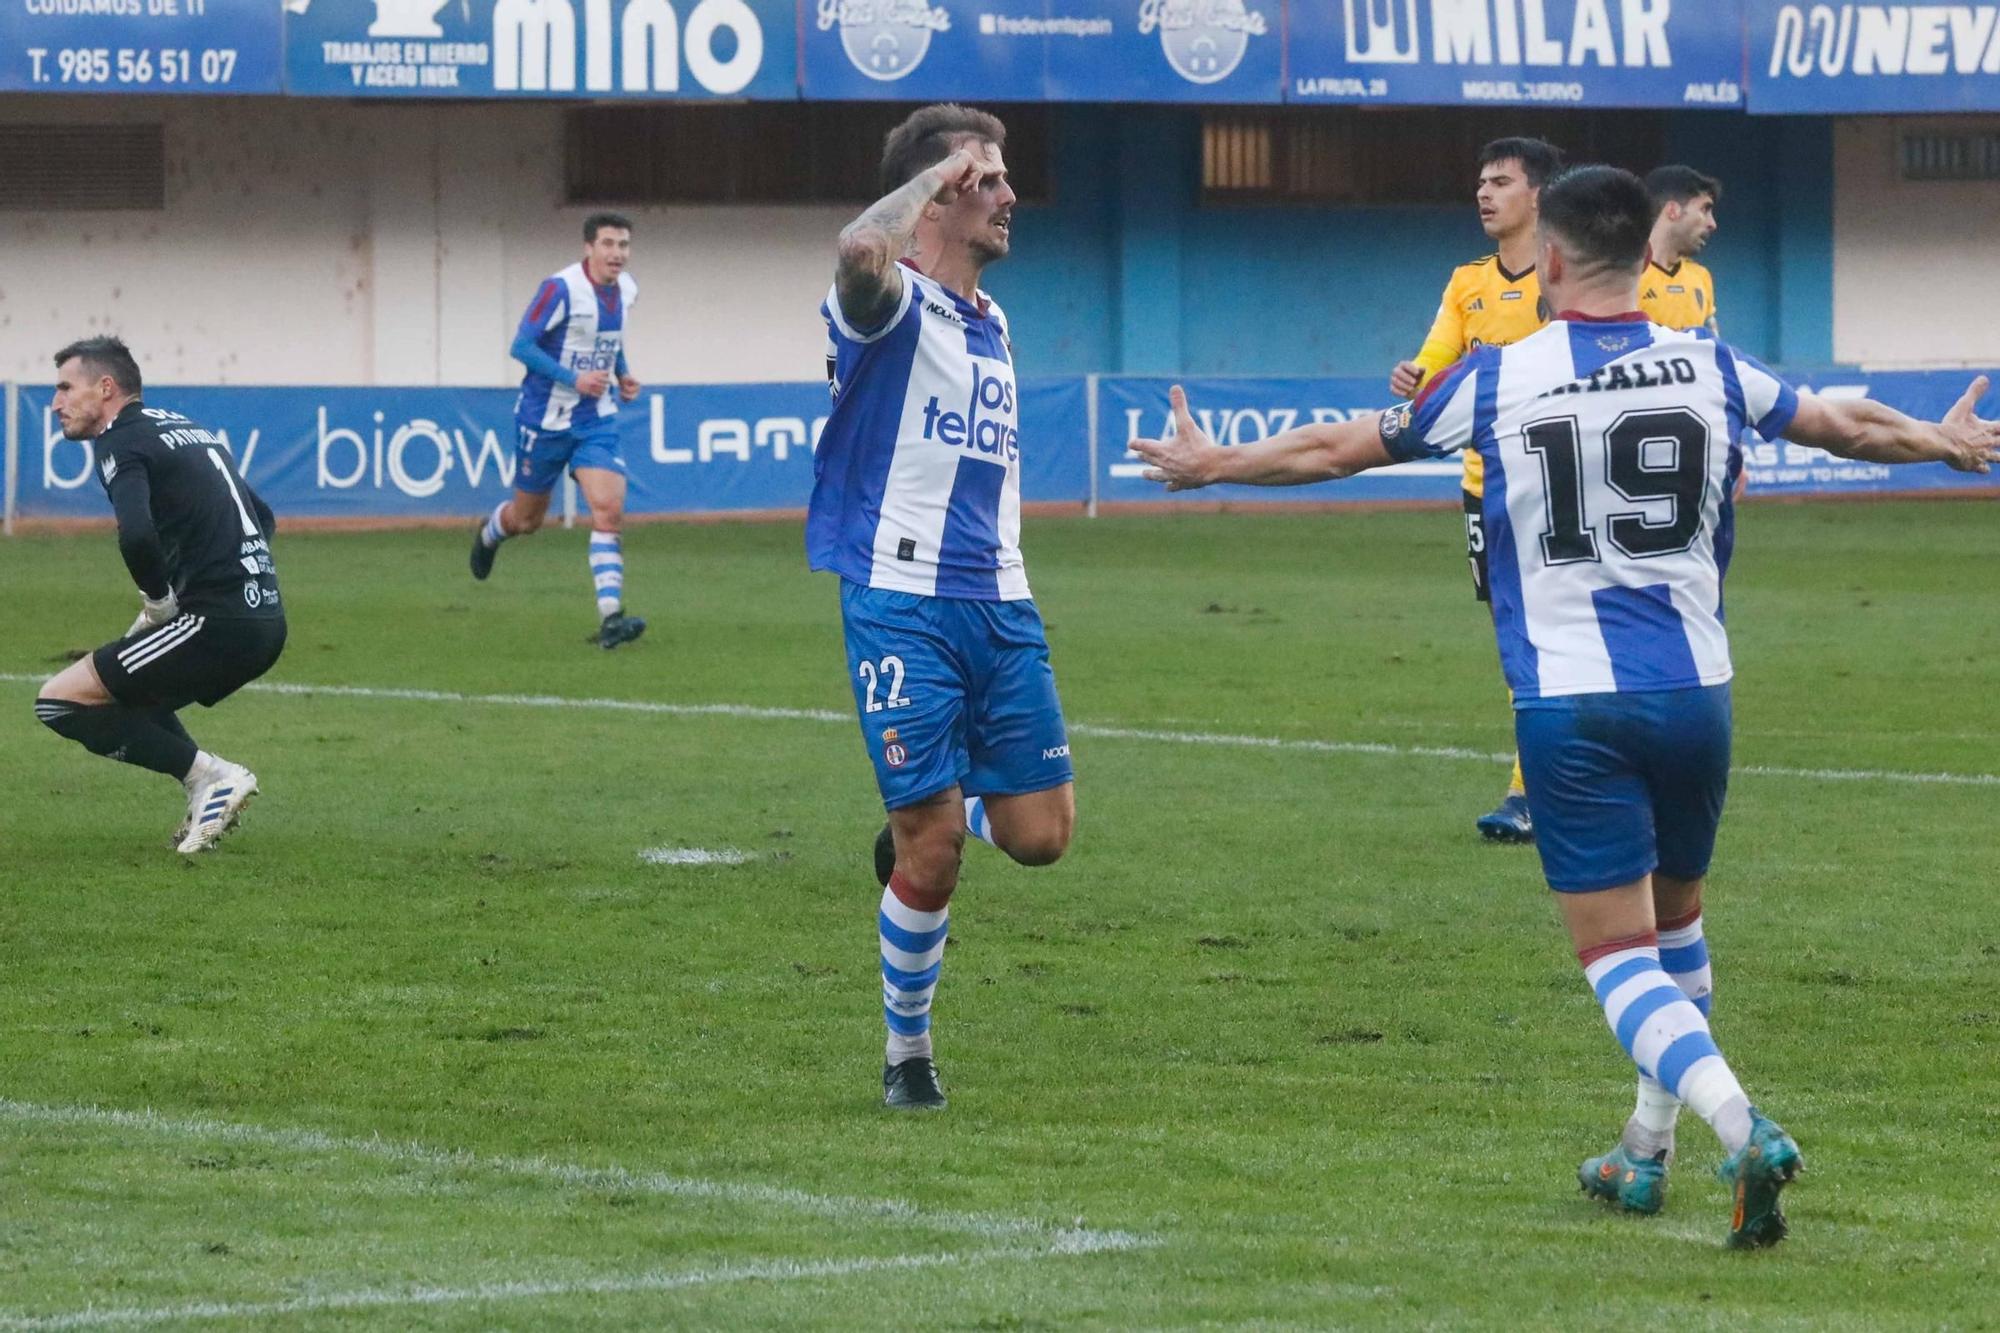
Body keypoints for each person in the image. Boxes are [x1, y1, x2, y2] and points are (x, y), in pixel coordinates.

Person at [1131, 165, 1999, 1247]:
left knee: (1614, 957)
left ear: (1547, 262)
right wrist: (1943, 440)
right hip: (1694, 692)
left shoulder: (1498, 378)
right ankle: (1644, 1150)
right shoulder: (1707, 362)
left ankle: (1738, 1123)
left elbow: (1334, 446)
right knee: (1673, 924)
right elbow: (1839, 421)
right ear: (1645, 257)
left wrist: (1212, 463)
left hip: (1568, 703)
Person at [809, 104, 1076, 1111]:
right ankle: (906, 1052)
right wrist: (931, 173)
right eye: (991, 179)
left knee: (1042, 835)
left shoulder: (992, 320)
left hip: (1000, 601)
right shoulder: (887, 305)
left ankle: (931, 803)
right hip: (898, 598)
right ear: (943, 192)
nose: (1009, 197)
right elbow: (857, 248)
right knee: (934, 849)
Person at [36, 336, 288, 854]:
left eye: (65, 387)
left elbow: (137, 534)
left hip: (217, 620)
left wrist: (159, 601)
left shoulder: (120, 439)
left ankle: (211, 777)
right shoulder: (186, 428)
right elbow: (263, 517)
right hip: (262, 620)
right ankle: (206, 785)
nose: (56, 403)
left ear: (105, 388)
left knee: (58, 703)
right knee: (127, 696)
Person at [1388, 137, 1564, 846]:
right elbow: (1434, 364)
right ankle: (1543, 783)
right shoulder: (1467, 282)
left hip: (1557, 488)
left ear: (1539, 196)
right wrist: (1415, 378)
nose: (1485, 194)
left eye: (1501, 182)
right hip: (1484, 493)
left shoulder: (1567, 278)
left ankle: (1532, 790)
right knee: (1518, 643)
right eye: (1480, 183)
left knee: (1552, 636)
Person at [471, 212, 647, 650]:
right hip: (544, 420)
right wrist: (572, 378)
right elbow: (521, 345)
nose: (617, 254)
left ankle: (611, 618)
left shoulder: (626, 290)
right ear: (589, 248)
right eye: (608, 244)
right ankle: (491, 531)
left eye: (623, 245)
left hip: (595, 420)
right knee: (527, 520)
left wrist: (622, 373)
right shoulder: (561, 289)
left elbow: (609, 341)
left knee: (608, 510)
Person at [1641, 166, 1722, 335]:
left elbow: (1712, 348)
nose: (1712, 223)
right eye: (1705, 209)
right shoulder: (1623, 277)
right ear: (1673, 210)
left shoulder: (1701, 276)